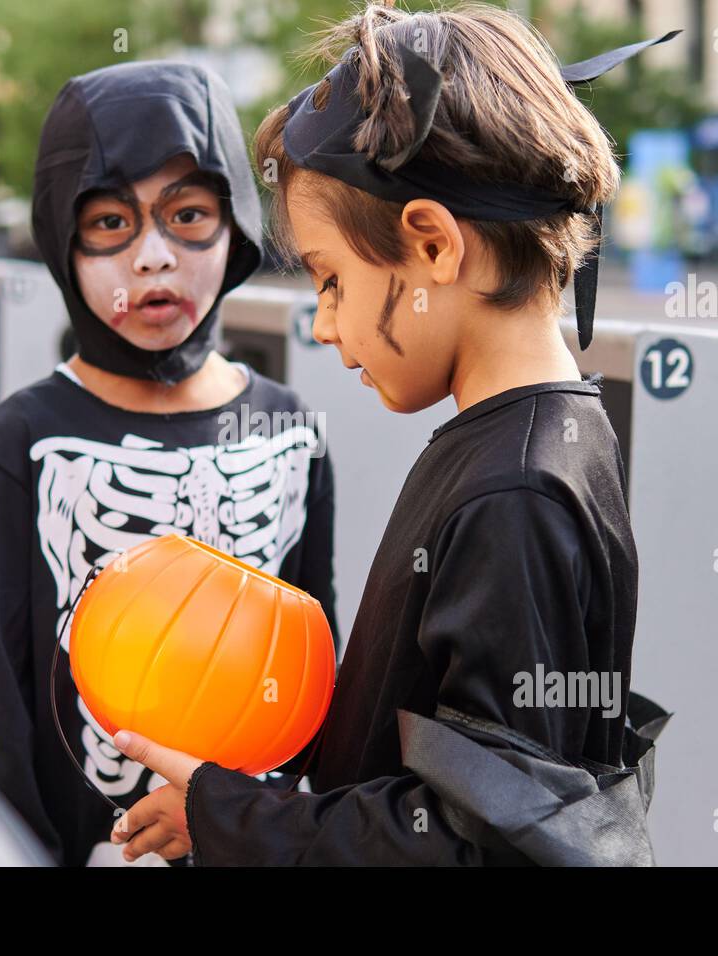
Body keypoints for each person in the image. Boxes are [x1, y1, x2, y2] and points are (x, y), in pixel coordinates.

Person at [109, 1, 672, 866]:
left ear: (434, 247)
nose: (323, 325)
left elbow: (482, 846)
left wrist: (228, 820)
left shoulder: (514, 493)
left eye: (331, 280)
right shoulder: (540, 440)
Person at [0, 60, 339, 866]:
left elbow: (316, 673)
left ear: (236, 224)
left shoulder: (289, 429)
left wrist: (270, 828)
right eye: (109, 223)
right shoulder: (21, 437)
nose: (153, 258)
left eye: (188, 214)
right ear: (62, 236)